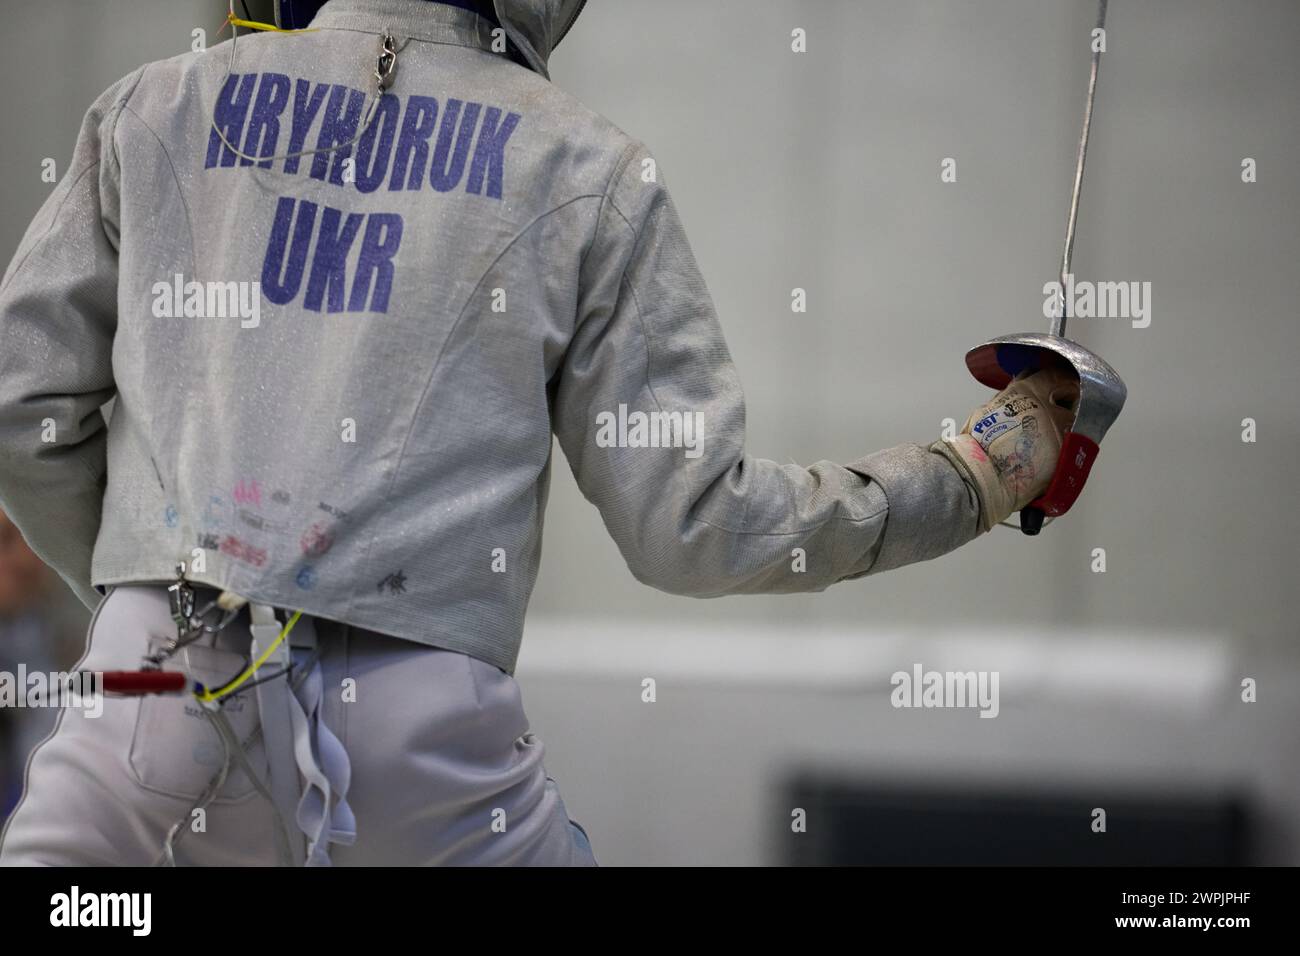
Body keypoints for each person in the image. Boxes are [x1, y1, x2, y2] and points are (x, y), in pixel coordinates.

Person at [0, 0, 1081, 866]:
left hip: (149, 685)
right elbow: (693, 527)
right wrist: (979, 470)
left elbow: (19, 402)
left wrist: (153, 585)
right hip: (425, 740)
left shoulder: (156, 108)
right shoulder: (584, 167)